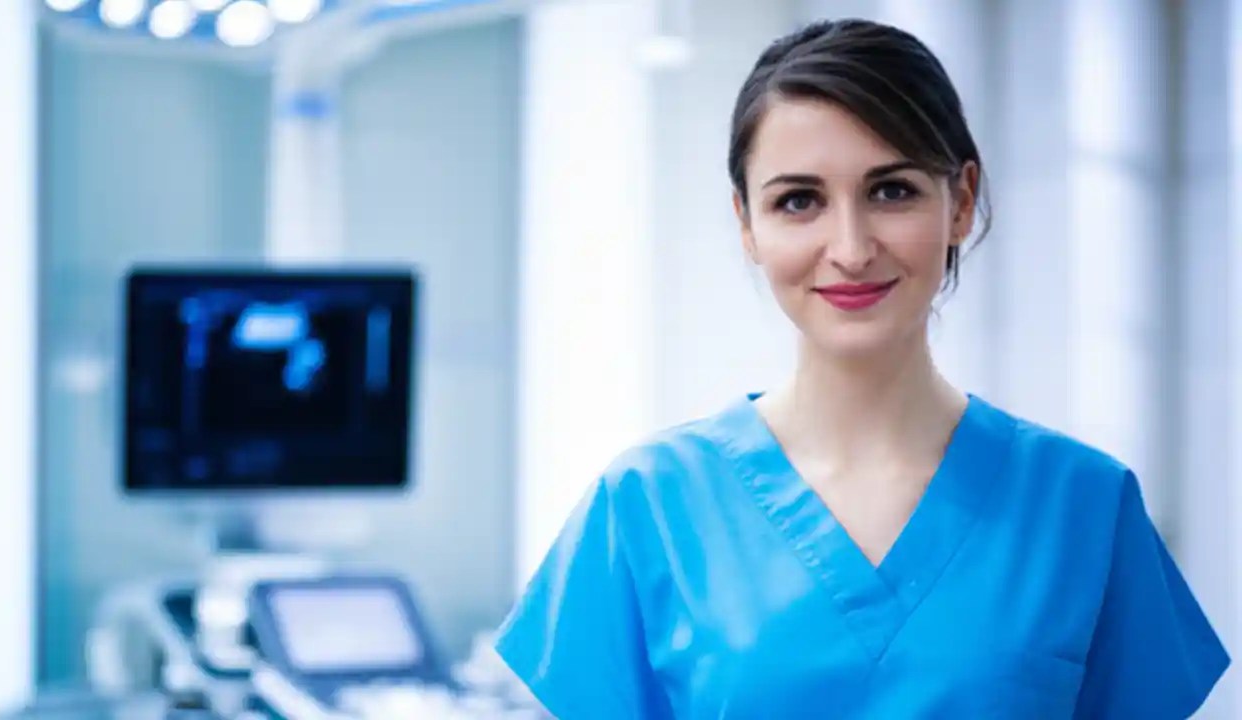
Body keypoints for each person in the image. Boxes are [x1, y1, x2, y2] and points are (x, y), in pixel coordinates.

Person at [493, 17, 1229, 719]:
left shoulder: (1082, 506)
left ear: (961, 201)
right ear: (748, 225)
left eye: (891, 191)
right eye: (799, 200)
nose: (849, 247)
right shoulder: (647, 505)